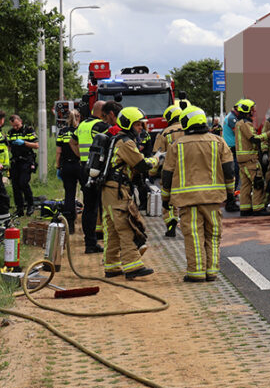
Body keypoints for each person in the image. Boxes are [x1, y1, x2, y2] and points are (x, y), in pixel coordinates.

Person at [161, 106, 236, 282]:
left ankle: (196, 272)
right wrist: (230, 193)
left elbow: (167, 174)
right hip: (213, 199)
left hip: (188, 201)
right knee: (213, 235)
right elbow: (229, 170)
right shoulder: (218, 142)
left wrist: (166, 199)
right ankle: (212, 272)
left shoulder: (177, 145)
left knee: (194, 235)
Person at [100, 106, 157, 279]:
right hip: (117, 190)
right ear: (128, 124)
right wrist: (157, 159)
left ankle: (112, 266)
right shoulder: (126, 142)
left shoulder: (116, 139)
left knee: (111, 229)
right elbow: (140, 165)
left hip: (109, 189)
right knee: (126, 226)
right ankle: (132, 266)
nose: (141, 128)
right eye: (138, 125)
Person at [56, 110, 101, 253]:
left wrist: (58, 166)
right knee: (88, 197)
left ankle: (70, 224)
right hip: (80, 165)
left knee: (69, 194)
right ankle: (90, 229)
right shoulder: (82, 129)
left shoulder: (62, 132)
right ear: (79, 117)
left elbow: (58, 151)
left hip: (66, 166)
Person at [75, 101, 110, 250]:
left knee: (88, 206)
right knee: (96, 206)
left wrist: (83, 157)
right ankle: (94, 241)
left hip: (84, 167)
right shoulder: (100, 126)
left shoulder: (82, 124)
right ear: (102, 112)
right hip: (96, 169)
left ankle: (89, 240)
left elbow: (72, 142)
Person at [150, 104, 185, 237]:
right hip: (188, 170)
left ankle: (171, 221)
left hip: (170, 171)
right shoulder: (189, 129)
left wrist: (152, 173)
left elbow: (157, 155)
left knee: (169, 198)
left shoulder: (164, 133)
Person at [232, 99, 268, 216]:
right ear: (247, 110)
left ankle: (245, 208)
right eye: (252, 109)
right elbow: (254, 138)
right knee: (258, 182)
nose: (254, 111)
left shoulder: (238, 123)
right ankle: (258, 208)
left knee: (246, 185)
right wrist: (269, 133)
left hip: (242, 159)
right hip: (250, 159)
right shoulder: (246, 124)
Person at [6, 114, 39, 217]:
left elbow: (36, 145)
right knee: (15, 185)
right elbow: (8, 147)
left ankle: (30, 205)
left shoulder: (28, 130)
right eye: (13, 126)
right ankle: (19, 208)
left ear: (20, 121)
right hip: (16, 161)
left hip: (27, 160)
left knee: (23, 182)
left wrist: (24, 143)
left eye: (17, 125)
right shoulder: (10, 132)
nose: (15, 127)